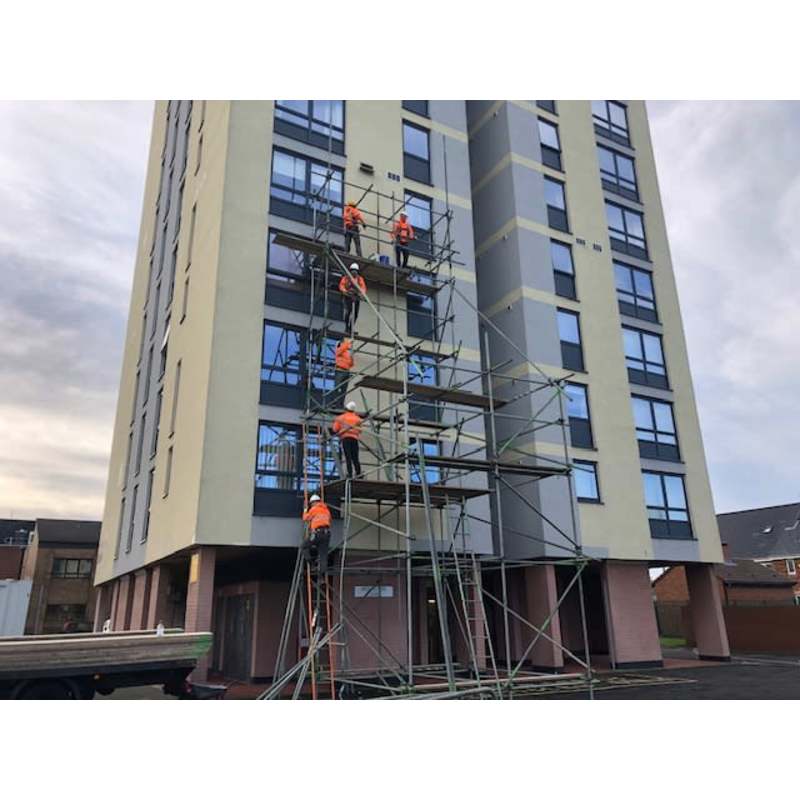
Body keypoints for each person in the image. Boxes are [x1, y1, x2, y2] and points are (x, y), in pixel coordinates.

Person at [301, 494, 332, 575]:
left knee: (304, 546)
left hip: (317, 533)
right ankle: (321, 577)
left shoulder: (314, 509)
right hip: (326, 534)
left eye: (311, 503)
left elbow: (305, 518)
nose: (311, 505)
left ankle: (311, 564)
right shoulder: (327, 510)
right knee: (323, 556)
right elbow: (329, 520)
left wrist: (305, 510)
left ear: (314, 502)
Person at [333, 401, 363, 478]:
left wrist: (341, 430)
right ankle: (358, 473)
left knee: (348, 456)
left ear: (346, 409)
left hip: (346, 438)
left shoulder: (341, 418)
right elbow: (360, 430)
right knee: (355, 457)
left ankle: (350, 473)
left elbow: (335, 429)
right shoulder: (358, 419)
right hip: (354, 439)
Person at [338, 263, 366, 334]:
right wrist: (345, 291)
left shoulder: (359, 279)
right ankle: (347, 327)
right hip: (348, 297)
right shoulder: (346, 278)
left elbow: (363, 288)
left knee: (355, 314)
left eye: (355, 270)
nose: (354, 272)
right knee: (348, 312)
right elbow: (341, 286)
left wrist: (360, 294)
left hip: (356, 298)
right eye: (353, 270)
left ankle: (351, 328)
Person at [333, 337, 354, 408]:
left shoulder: (346, 353)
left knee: (344, 390)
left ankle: (341, 404)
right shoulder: (339, 348)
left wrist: (351, 357)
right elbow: (340, 350)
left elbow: (351, 364)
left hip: (346, 371)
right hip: (340, 370)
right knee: (337, 387)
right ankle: (335, 403)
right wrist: (348, 343)